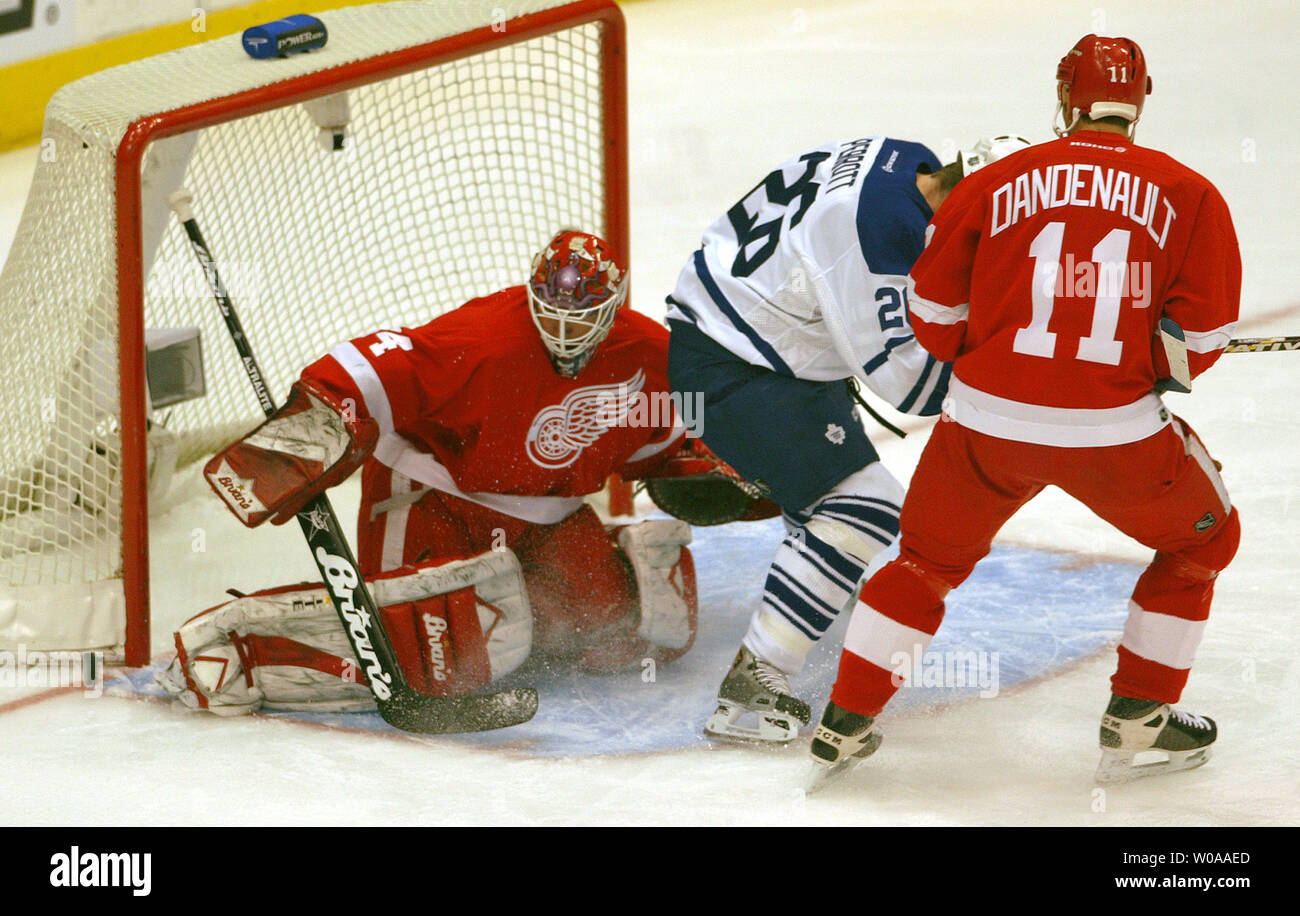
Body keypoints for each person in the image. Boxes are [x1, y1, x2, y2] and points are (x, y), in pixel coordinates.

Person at [809, 35, 1242, 786]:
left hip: (983, 429)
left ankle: (846, 719)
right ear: (1139, 104)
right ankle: (1139, 717)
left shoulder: (997, 180)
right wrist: (1142, 349)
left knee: (925, 562)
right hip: (1115, 437)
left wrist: (1001, 335)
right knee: (1206, 541)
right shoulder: (1189, 193)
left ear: (1064, 99)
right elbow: (1197, 346)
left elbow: (934, 319)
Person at [159, 230, 753, 715]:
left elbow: (669, 429)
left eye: (585, 319)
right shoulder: (486, 338)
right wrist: (315, 425)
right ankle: (244, 645)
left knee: (627, 625)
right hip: (433, 495)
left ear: (614, 302)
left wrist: (724, 466)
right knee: (440, 643)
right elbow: (385, 365)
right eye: (552, 314)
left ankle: (545, 592)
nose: (566, 335)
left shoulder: (649, 353)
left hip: (545, 514)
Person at [665, 132, 1029, 742]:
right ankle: (754, 686)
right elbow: (910, 386)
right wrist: (1026, 361)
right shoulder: (880, 233)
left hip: (764, 335)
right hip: (733, 366)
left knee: (830, 504)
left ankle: (810, 620)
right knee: (864, 506)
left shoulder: (905, 160)